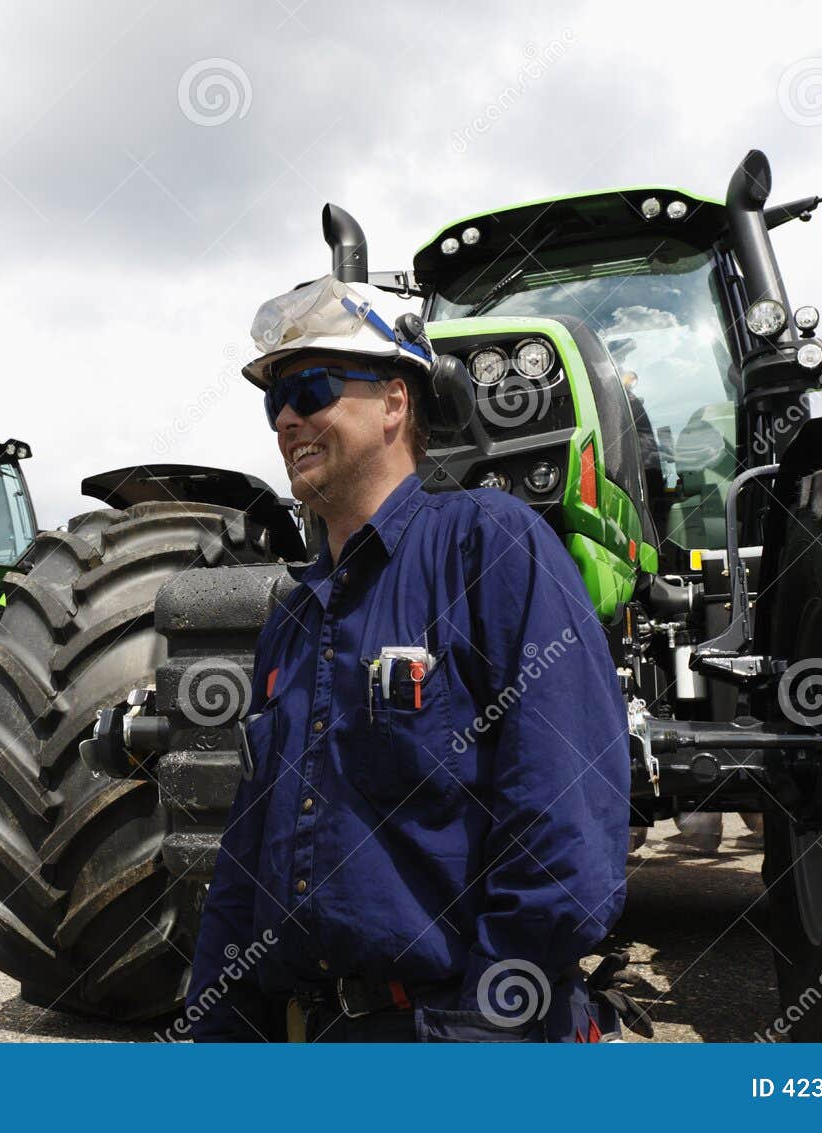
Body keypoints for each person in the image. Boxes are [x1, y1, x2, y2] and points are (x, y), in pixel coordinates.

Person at [188, 266, 632, 1042]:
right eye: (274, 399)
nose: (287, 418)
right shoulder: (291, 621)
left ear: (396, 401)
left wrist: (486, 1028)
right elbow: (246, 861)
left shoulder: (489, 547)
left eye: (313, 387)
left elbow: (564, 828)